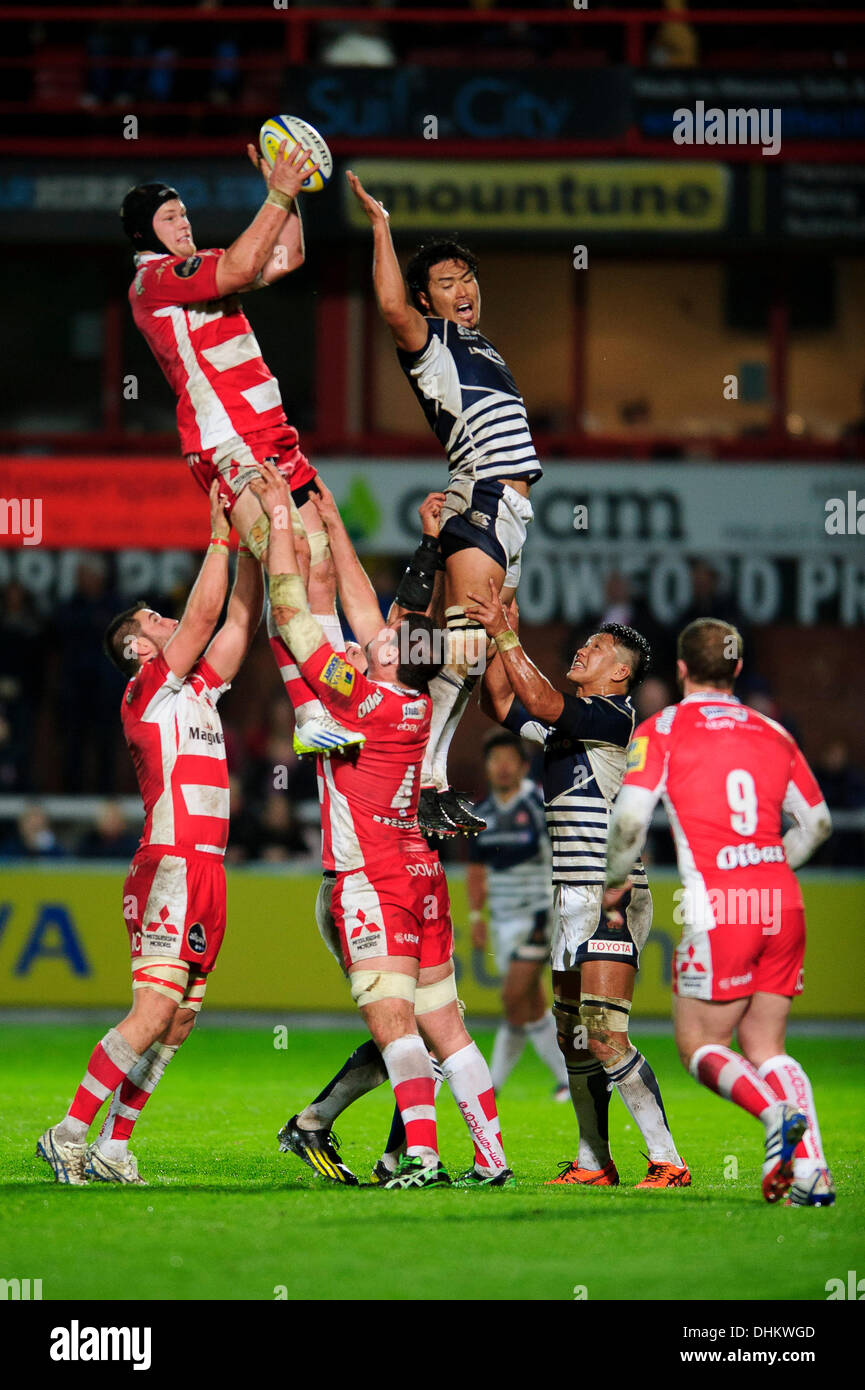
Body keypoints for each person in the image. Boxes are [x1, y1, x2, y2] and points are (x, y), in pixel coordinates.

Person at [255, 460, 512, 1188]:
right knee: (447, 1025)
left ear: (383, 660)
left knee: (393, 1026)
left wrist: (281, 522)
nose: (379, 633)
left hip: (370, 877)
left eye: (388, 639)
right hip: (420, 869)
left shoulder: (356, 703)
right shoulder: (411, 700)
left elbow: (293, 613)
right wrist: (334, 527)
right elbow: (382, 616)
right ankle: (490, 1158)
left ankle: (420, 1156)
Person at [36, 485, 263, 1185]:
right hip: (167, 863)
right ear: (138, 647)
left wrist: (258, 543)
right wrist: (221, 532)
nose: (169, 621)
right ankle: (67, 1131)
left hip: (208, 870)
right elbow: (201, 615)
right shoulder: (146, 691)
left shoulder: (196, 691)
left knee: (179, 1021)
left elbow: (237, 620)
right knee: (153, 1007)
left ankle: (113, 1144)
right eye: (153, 619)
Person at [121, 139, 360, 757]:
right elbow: (235, 270)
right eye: (170, 217)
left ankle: (344, 695)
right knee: (290, 562)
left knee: (321, 567)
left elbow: (286, 256)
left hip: (276, 438)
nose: (184, 223)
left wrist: (291, 199)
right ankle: (309, 713)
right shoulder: (153, 280)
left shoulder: (197, 264)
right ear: (145, 234)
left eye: (184, 213)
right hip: (229, 443)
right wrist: (277, 192)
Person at [603, 618, 835, 1207]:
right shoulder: (772, 731)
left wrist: (611, 883)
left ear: (681, 670)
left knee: (700, 1045)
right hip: (781, 900)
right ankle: (811, 1175)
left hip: (719, 904)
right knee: (767, 1046)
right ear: (735, 669)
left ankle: (775, 1114)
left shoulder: (665, 728)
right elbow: (819, 823)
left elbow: (630, 821)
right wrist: (770, 865)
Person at [468, 581, 689, 1189]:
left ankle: (668, 1159)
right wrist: (492, 639)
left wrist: (508, 634)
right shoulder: (569, 730)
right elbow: (499, 703)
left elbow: (537, 697)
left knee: (604, 1032)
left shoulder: (614, 718)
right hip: (571, 897)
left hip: (612, 893)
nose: (582, 651)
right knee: (573, 1038)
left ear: (620, 672)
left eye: (595, 648)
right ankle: (595, 1161)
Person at [348, 169, 543, 836]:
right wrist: (381, 228)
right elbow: (390, 309)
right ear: (428, 300)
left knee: (470, 654)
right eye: (446, 282)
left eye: (467, 277)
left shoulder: (480, 345)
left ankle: (430, 777)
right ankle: (418, 780)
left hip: (509, 513)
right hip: (482, 497)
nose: (463, 289)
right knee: (459, 647)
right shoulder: (430, 343)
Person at [468, 730, 568, 1099]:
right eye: (496, 760)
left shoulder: (539, 804)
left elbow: (561, 855)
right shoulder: (481, 814)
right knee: (528, 1004)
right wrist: (476, 917)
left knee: (512, 997)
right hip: (503, 920)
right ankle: (566, 1080)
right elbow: (477, 871)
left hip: (539, 916)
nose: (503, 766)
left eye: (511, 759)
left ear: (524, 766)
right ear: (488, 767)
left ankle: (490, 1084)